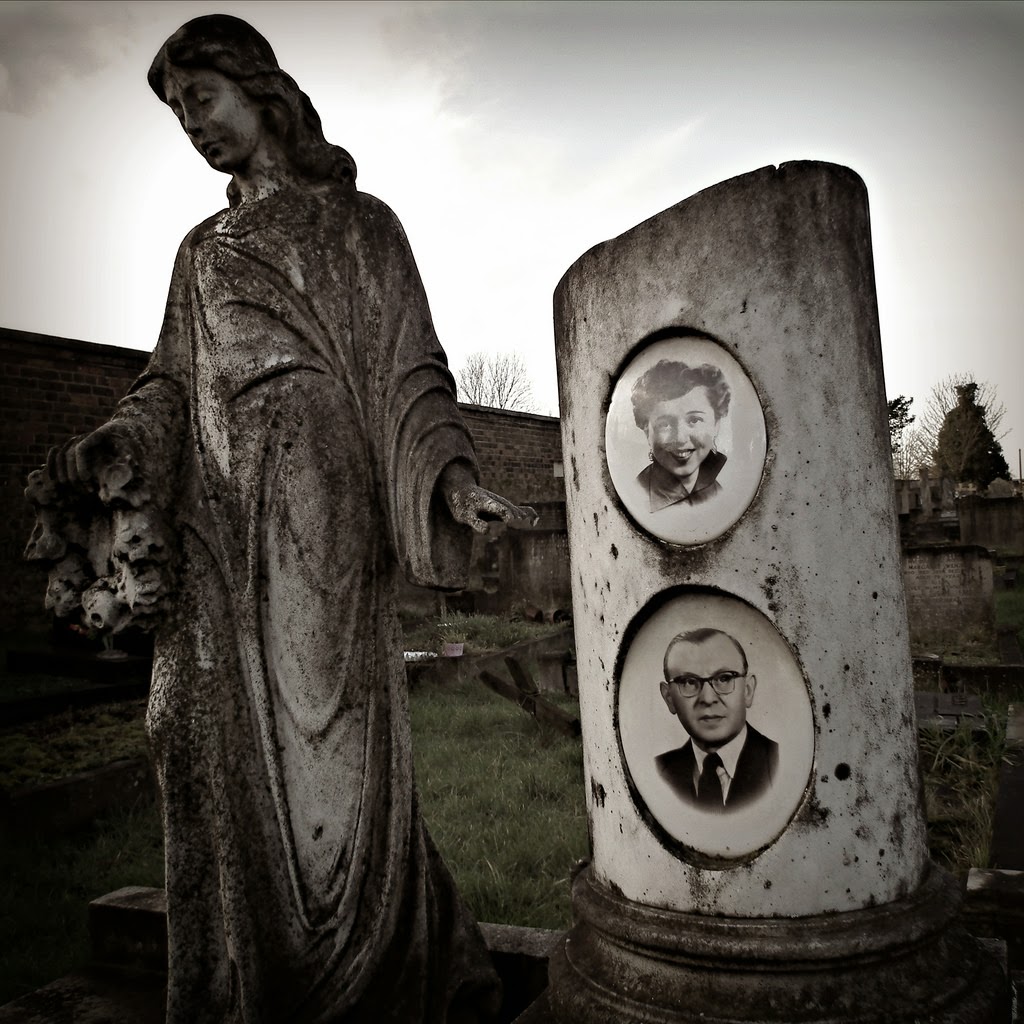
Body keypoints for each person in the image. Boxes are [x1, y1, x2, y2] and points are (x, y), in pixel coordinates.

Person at [47, 14, 534, 1023]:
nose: (194, 128)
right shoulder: (200, 253)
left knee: (329, 760)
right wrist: (125, 438)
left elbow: (411, 372)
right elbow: (169, 386)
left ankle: (357, 966)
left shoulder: (362, 229)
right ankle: (246, 967)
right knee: (188, 722)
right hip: (219, 525)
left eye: (203, 101)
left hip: (323, 504)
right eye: (178, 115)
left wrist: (447, 479)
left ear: (258, 89)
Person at [655, 628, 778, 812]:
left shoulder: (781, 764)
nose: (708, 698)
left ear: (748, 690)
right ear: (669, 698)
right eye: (689, 682)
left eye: (724, 678)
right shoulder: (656, 774)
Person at [630, 359, 731, 511]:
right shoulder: (636, 499)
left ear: (716, 425)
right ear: (647, 431)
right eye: (665, 424)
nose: (680, 438)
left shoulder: (721, 494)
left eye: (694, 420)